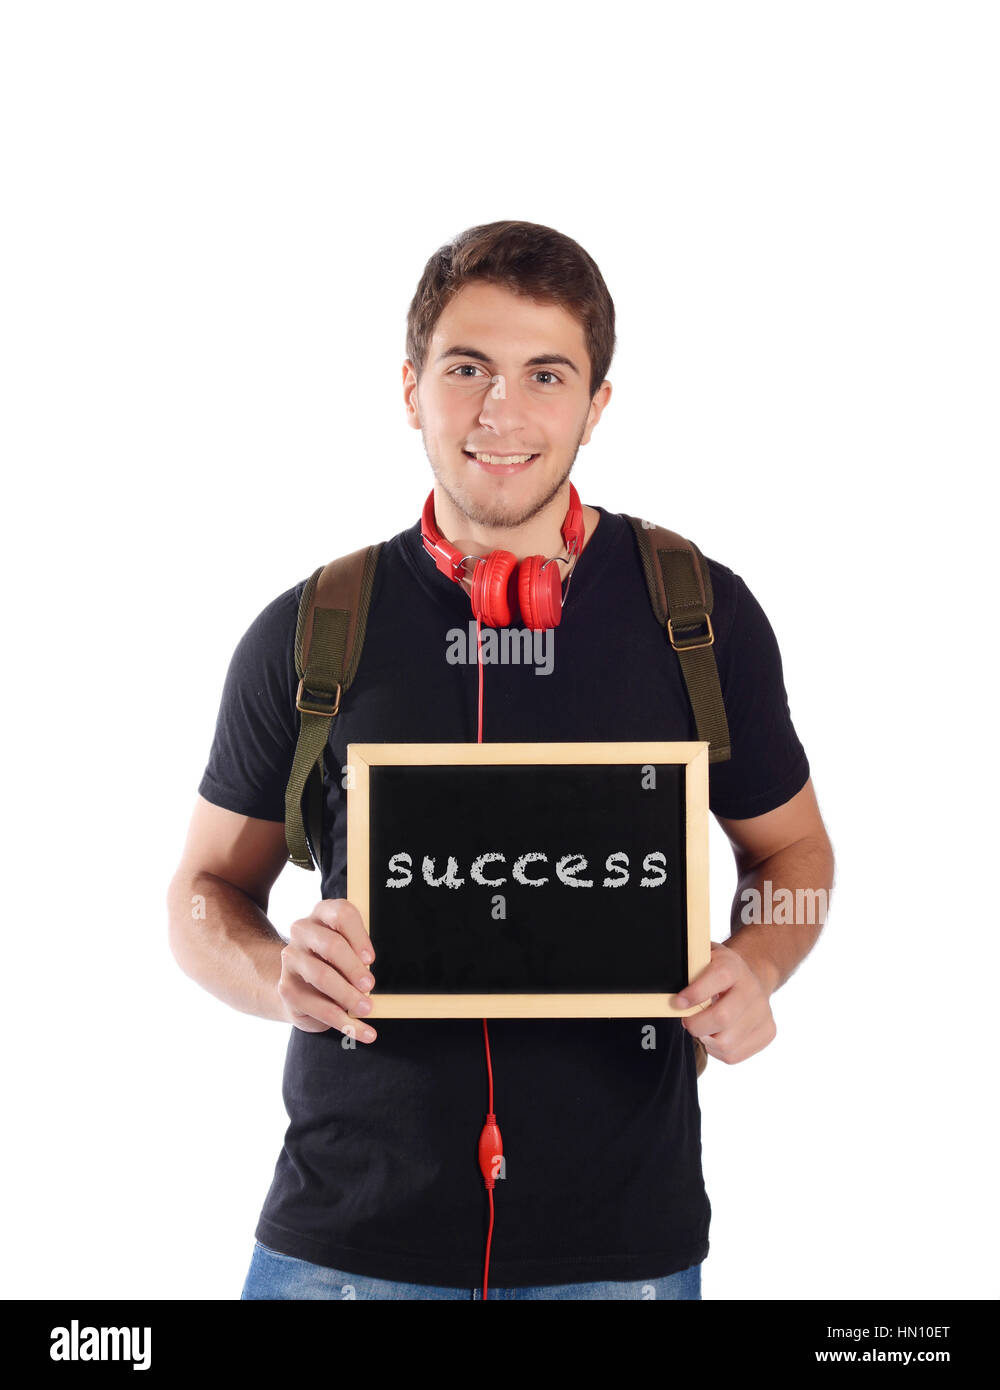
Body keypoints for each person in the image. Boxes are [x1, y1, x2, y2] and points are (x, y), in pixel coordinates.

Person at [166, 220, 835, 1301]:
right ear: (409, 386)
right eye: (465, 368)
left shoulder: (696, 617)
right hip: (346, 1246)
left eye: (545, 375)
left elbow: (793, 851)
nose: (500, 412)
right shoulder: (309, 632)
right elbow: (200, 897)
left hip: (619, 1247)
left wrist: (757, 966)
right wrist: (273, 972)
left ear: (596, 405)